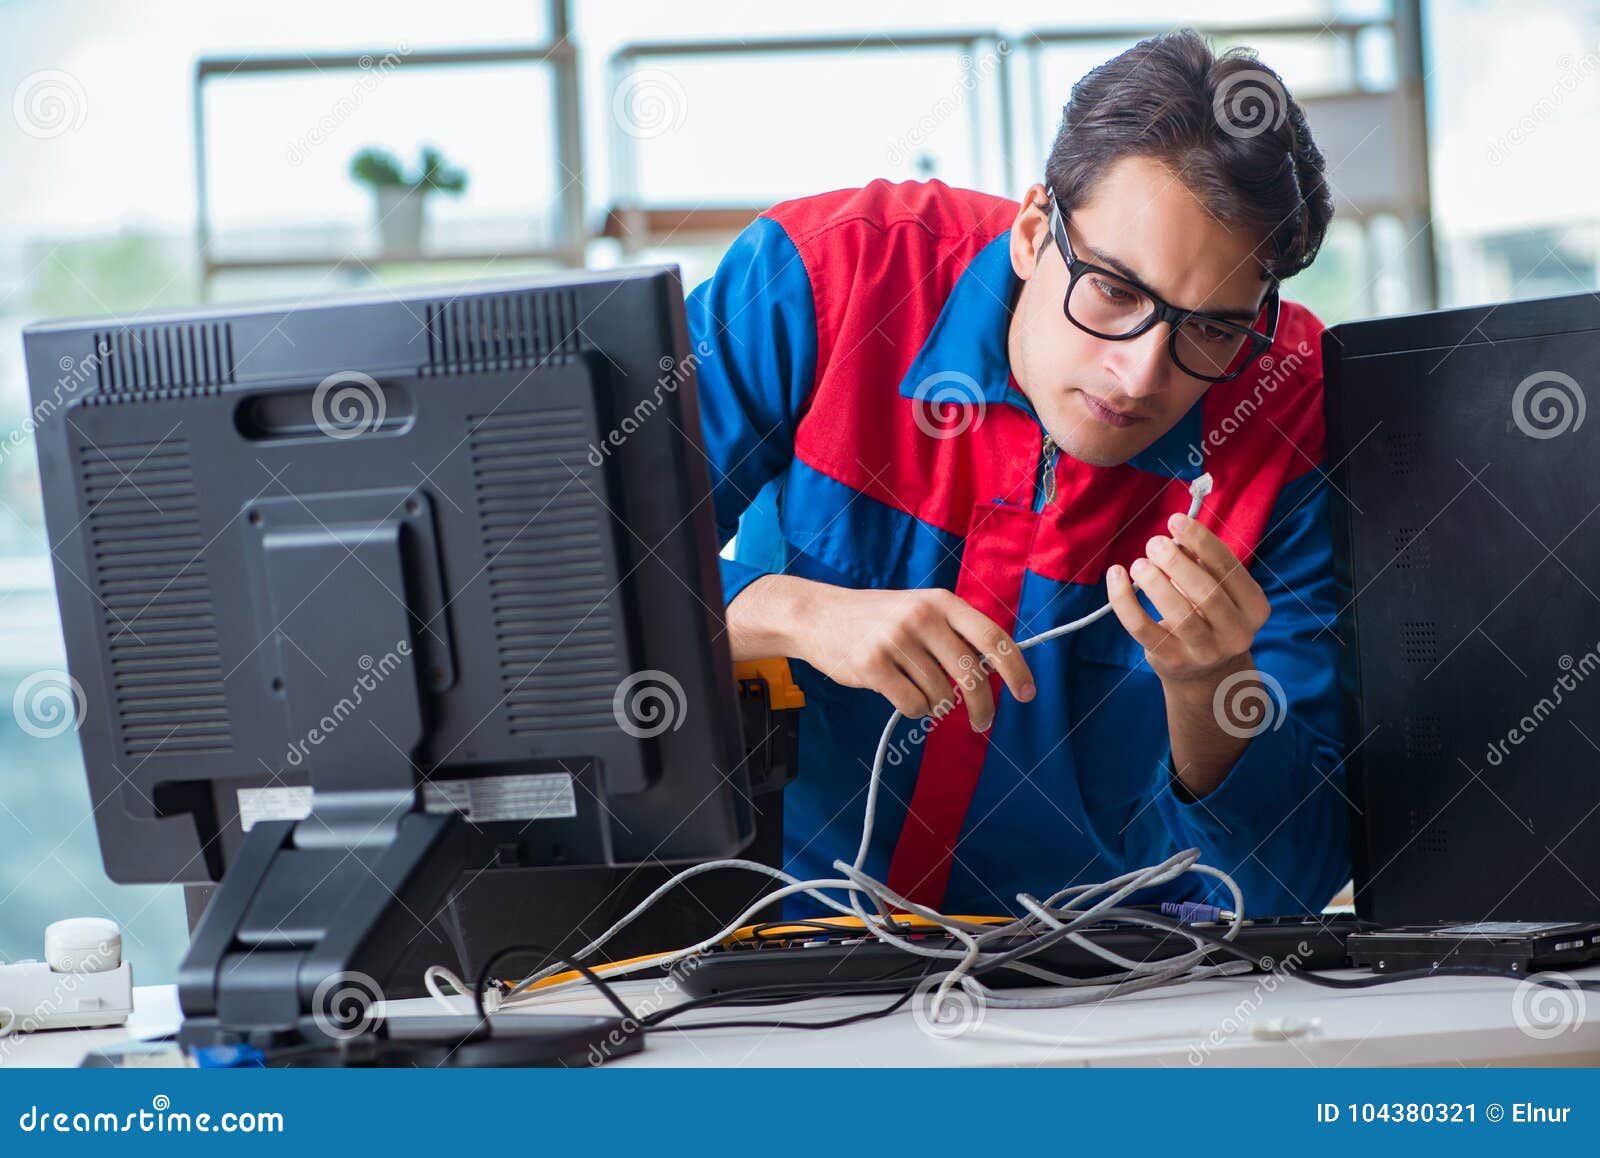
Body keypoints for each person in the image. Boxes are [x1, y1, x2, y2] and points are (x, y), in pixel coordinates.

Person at [688, 28, 1345, 917]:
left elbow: (1295, 881)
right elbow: (551, 586)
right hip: (773, 939)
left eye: (1213, 328)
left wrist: (1211, 690)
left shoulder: (1289, 405)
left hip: (1120, 983)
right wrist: (790, 612)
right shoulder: (831, 273)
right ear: (1036, 232)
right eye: (1114, 290)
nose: (1142, 373)